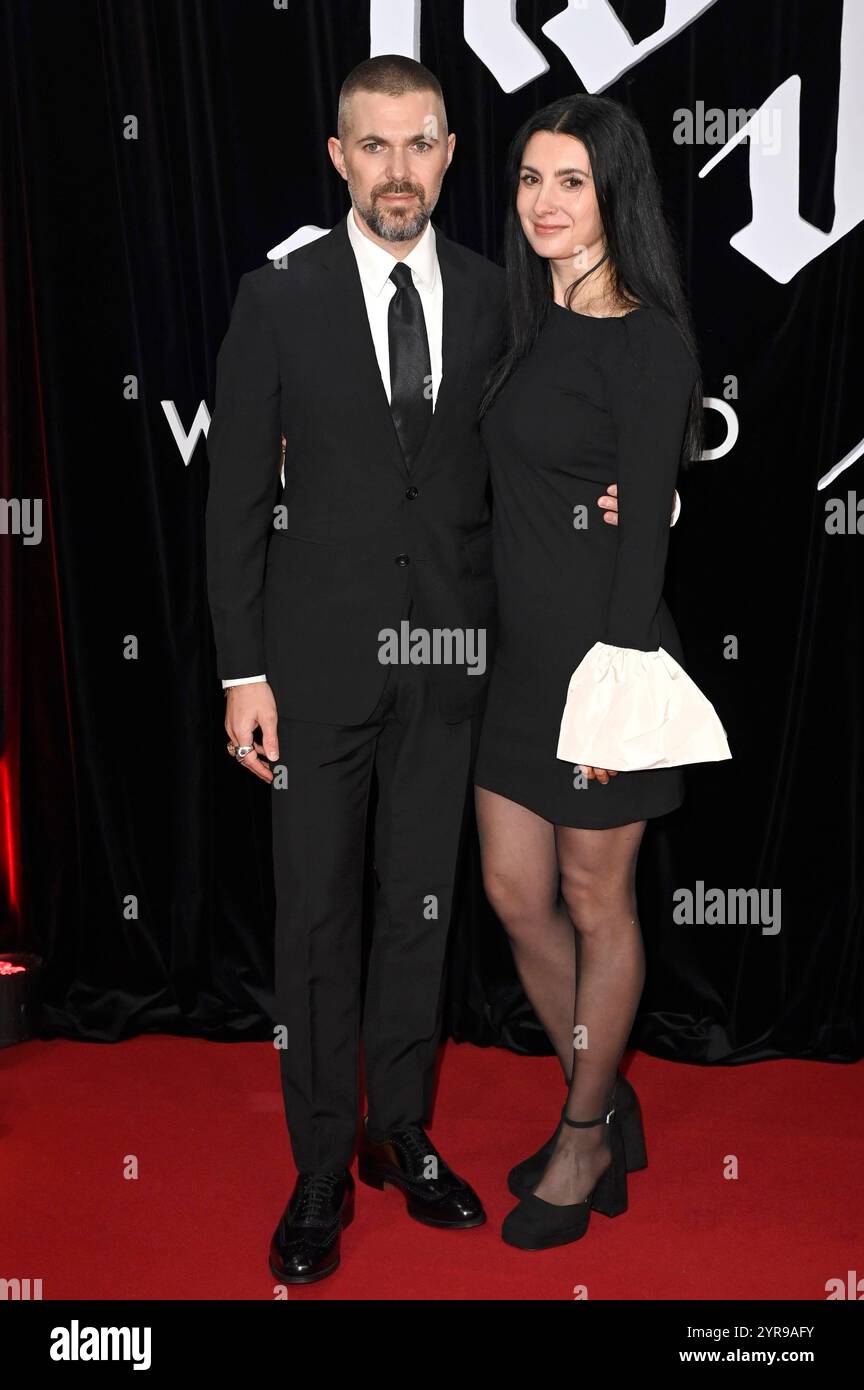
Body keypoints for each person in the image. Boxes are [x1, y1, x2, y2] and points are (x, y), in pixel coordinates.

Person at [205, 57, 635, 1284]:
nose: (399, 169)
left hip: (453, 666)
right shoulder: (277, 297)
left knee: (418, 916)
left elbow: (557, 438)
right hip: (315, 671)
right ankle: (319, 1165)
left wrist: (615, 493)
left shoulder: (508, 299)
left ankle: (404, 1132)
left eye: (421, 144)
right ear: (339, 158)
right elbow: (235, 499)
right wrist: (243, 671)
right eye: (373, 146)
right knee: (317, 921)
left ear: (451, 154)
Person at [473, 95, 731, 1252]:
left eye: (569, 180)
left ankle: (583, 1133)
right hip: (520, 667)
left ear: (614, 190)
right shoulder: (525, 320)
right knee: (517, 895)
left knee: (594, 899)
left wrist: (617, 695)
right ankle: (607, 1090)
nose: (543, 201)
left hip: (606, 666)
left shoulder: (651, 339)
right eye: (530, 177)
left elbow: (647, 536)